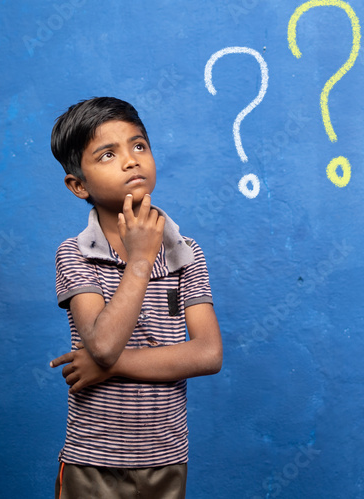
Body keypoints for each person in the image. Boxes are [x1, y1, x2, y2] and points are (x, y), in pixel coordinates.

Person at [48, 96, 222, 499]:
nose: (131, 160)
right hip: (93, 461)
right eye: (107, 154)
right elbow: (104, 344)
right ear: (78, 185)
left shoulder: (186, 252)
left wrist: (108, 368)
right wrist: (140, 259)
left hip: (166, 458)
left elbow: (208, 354)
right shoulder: (75, 253)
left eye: (138, 145)